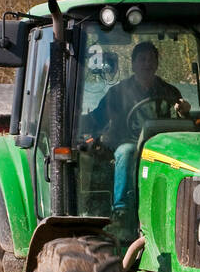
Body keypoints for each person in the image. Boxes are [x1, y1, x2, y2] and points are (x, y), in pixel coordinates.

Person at [80, 41, 190, 221]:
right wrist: (79, 124)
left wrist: (184, 112)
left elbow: (183, 125)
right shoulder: (117, 93)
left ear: (157, 64)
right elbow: (97, 118)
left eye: (151, 59)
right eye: (142, 59)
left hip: (164, 148)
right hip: (130, 144)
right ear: (133, 64)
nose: (147, 64)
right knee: (126, 151)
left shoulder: (170, 92)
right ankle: (121, 209)